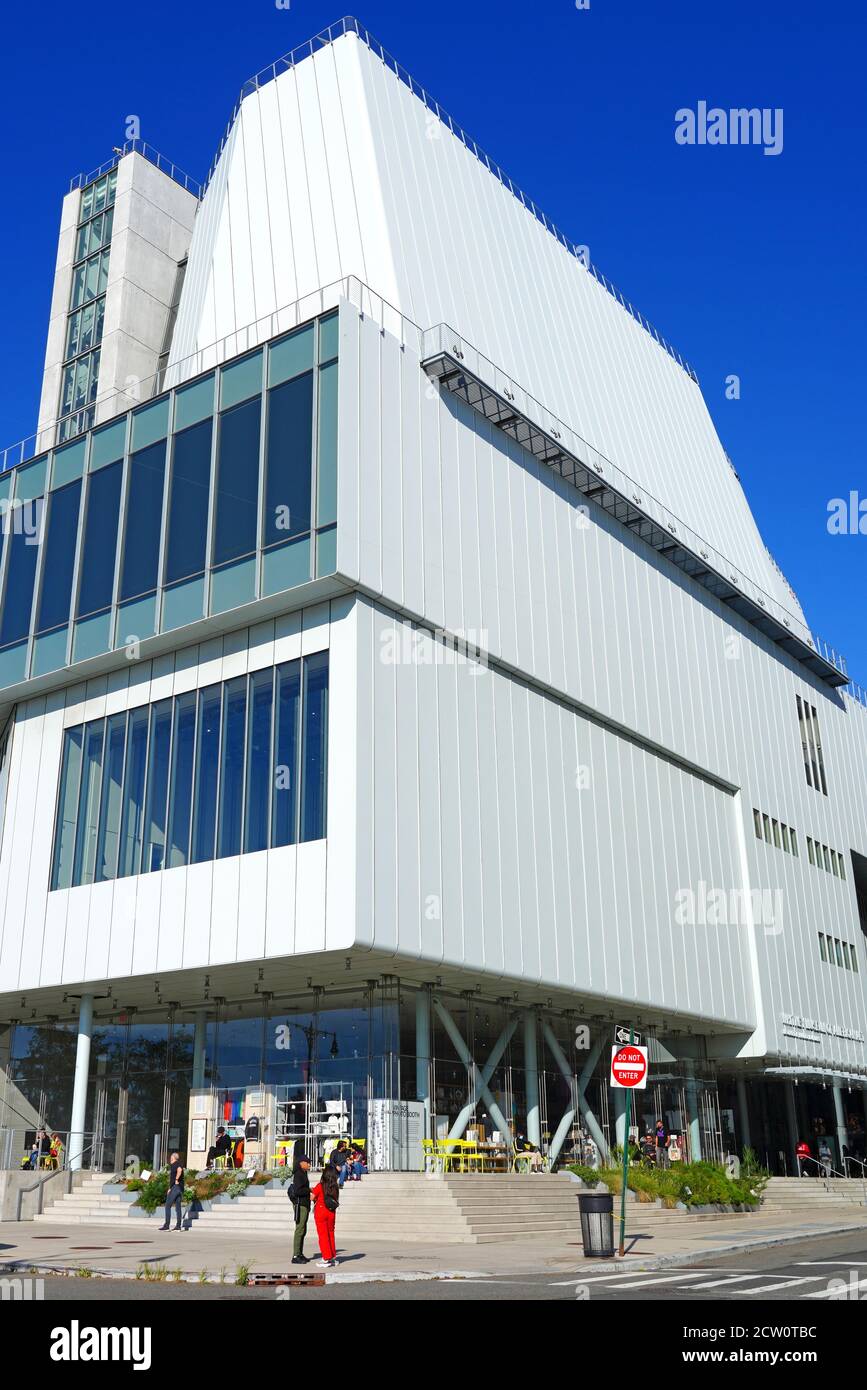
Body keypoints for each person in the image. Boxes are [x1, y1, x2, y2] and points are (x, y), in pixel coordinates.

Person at [288, 1140, 312, 1265]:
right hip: (300, 1204)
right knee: (299, 1229)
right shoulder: (299, 1174)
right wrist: (309, 1190)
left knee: (303, 1229)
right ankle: (296, 1255)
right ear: (302, 1163)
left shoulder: (303, 1173)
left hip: (304, 1204)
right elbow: (298, 1190)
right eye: (308, 1163)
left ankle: (300, 1253)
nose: (309, 1165)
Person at [311, 1164, 340, 1267]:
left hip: (321, 1211)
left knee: (323, 1235)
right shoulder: (335, 1187)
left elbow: (312, 1197)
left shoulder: (320, 1185)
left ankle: (326, 1258)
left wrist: (311, 1190)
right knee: (330, 1234)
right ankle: (332, 1257)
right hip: (331, 1212)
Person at [159, 1152, 185, 1231]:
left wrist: (176, 1179)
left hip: (176, 1187)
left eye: (171, 1157)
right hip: (179, 1188)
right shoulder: (178, 1164)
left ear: (173, 1158)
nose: (170, 1159)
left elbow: (179, 1170)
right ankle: (178, 1226)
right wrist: (170, 1188)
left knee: (167, 1205)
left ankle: (167, 1225)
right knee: (178, 1207)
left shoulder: (176, 1164)